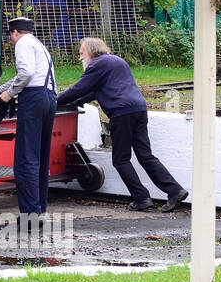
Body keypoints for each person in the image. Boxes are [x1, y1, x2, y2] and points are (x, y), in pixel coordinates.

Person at [55, 37, 188, 212]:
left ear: (91, 52)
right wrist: (77, 102)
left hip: (121, 113)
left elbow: (79, 88)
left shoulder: (97, 64)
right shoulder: (116, 61)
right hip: (139, 109)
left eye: (81, 53)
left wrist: (54, 102)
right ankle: (175, 190)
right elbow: (95, 91)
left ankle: (142, 198)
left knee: (120, 160)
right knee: (145, 156)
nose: (80, 58)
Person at [0, 17, 56, 217]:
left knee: (26, 158)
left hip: (34, 99)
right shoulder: (38, 45)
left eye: (10, 37)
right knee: (41, 156)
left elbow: (25, 74)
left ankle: (30, 214)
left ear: (15, 33)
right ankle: (39, 210)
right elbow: (20, 77)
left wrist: (9, 94)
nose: (11, 41)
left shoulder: (22, 44)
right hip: (49, 97)